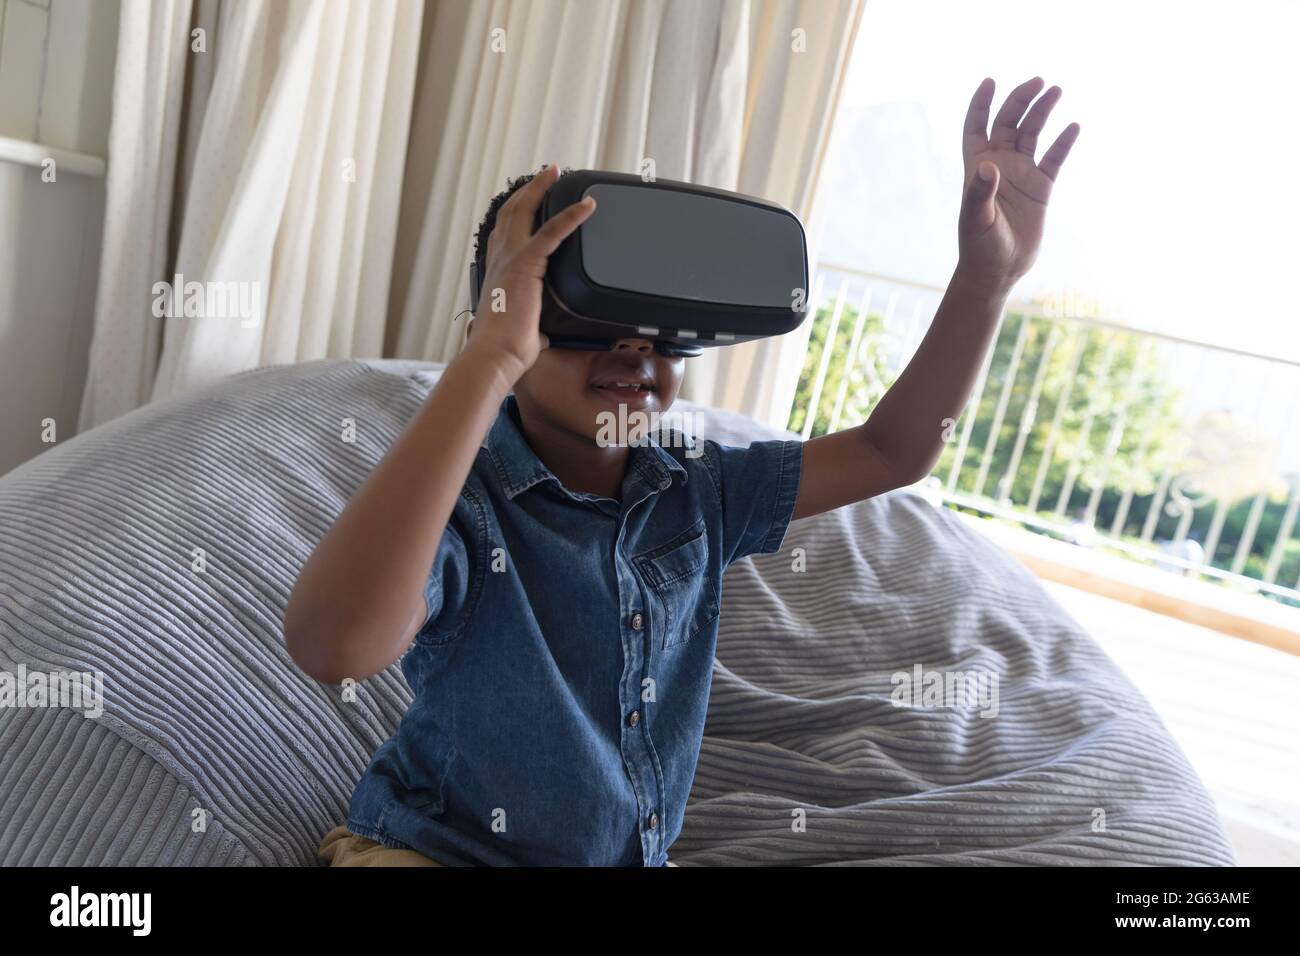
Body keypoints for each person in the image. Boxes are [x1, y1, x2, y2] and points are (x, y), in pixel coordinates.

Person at [286, 76, 1079, 866]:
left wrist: (985, 280)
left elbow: (891, 450)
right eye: (588, 318)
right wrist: (492, 356)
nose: (636, 349)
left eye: (666, 331)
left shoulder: (697, 492)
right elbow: (335, 645)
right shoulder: (465, 509)